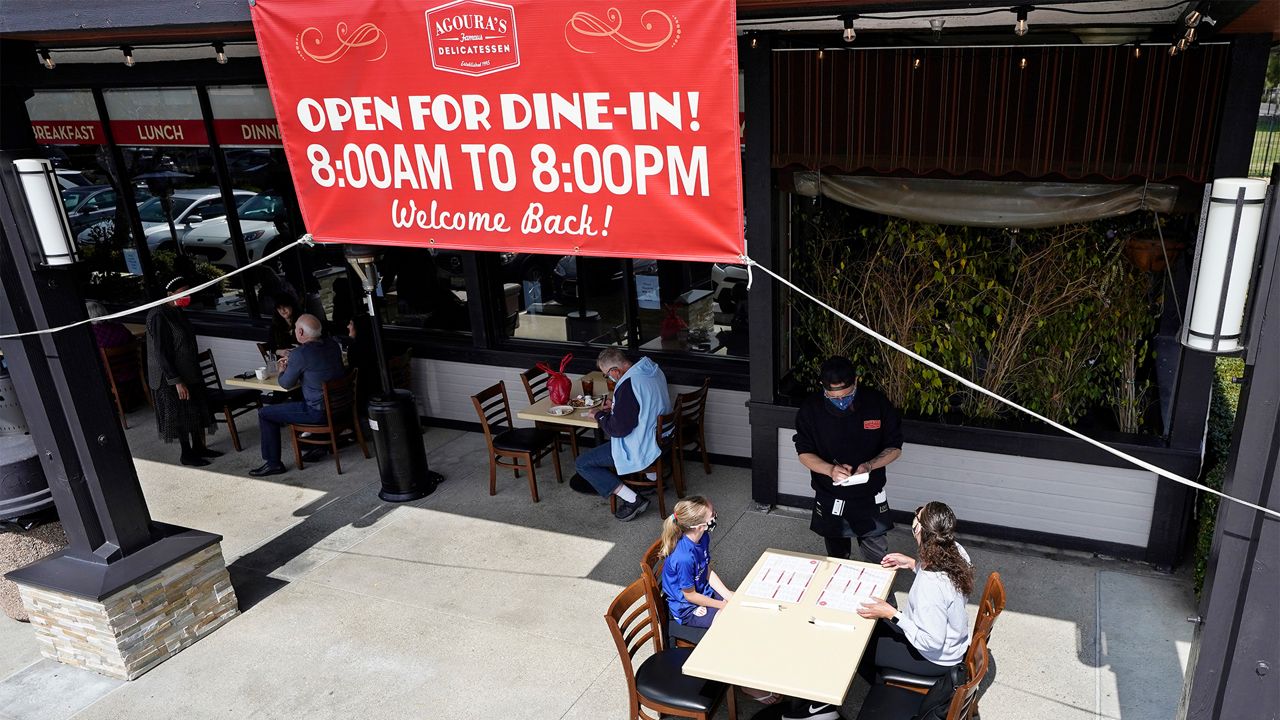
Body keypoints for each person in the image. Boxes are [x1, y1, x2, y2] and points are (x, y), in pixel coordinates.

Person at [793, 355, 903, 563]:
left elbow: (895, 447)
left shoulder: (876, 403)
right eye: (833, 398)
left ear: (856, 382)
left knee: (879, 558)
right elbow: (804, 453)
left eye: (847, 395)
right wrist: (829, 470)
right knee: (836, 558)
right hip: (830, 492)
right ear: (822, 387)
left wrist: (870, 465)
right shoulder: (811, 409)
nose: (841, 402)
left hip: (869, 493)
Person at [856, 501, 974, 680]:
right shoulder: (957, 550)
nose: (916, 512)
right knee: (874, 627)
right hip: (953, 642)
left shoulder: (930, 587)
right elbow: (945, 584)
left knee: (859, 646)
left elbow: (931, 642)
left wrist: (892, 614)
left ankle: (886, 686)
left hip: (934, 659)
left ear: (918, 529)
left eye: (918, 514)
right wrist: (913, 564)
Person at [574, 348, 670, 521]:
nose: (609, 378)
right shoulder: (651, 369)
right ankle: (654, 480)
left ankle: (634, 500)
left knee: (582, 463)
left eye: (606, 375)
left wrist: (598, 414)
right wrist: (617, 406)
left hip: (642, 444)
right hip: (663, 436)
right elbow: (642, 404)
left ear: (615, 371)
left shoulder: (628, 385)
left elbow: (618, 430)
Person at [249, 314, 345, 477]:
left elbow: (286, 384)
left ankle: (273, 464)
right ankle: (319, 445)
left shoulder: (300, 354)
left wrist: (282, 371)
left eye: (295, 329)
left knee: (264, 414)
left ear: (300, 332)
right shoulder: (333, 344)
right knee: (303, 396)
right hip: (342, 406)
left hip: (319, 412)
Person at [146, 276, 219, 467]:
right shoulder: (158, 316)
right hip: (169, 376)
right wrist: (176, 381)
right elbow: (161, 353)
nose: (188, 296)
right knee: (180, 414)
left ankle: (199, 447)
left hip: (189, 369)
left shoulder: (178, 311)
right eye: (183, 292)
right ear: (170, 294)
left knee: (195, 409)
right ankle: (187, 454)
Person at [265, 291, 301, 356]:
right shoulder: (275, 326)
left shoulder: (303, 320)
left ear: (292, 305)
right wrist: (280, 352)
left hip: (302, 356)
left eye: (285, 306)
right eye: (279, 308)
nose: (282, 310)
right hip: (285, 361)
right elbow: (270, 346)